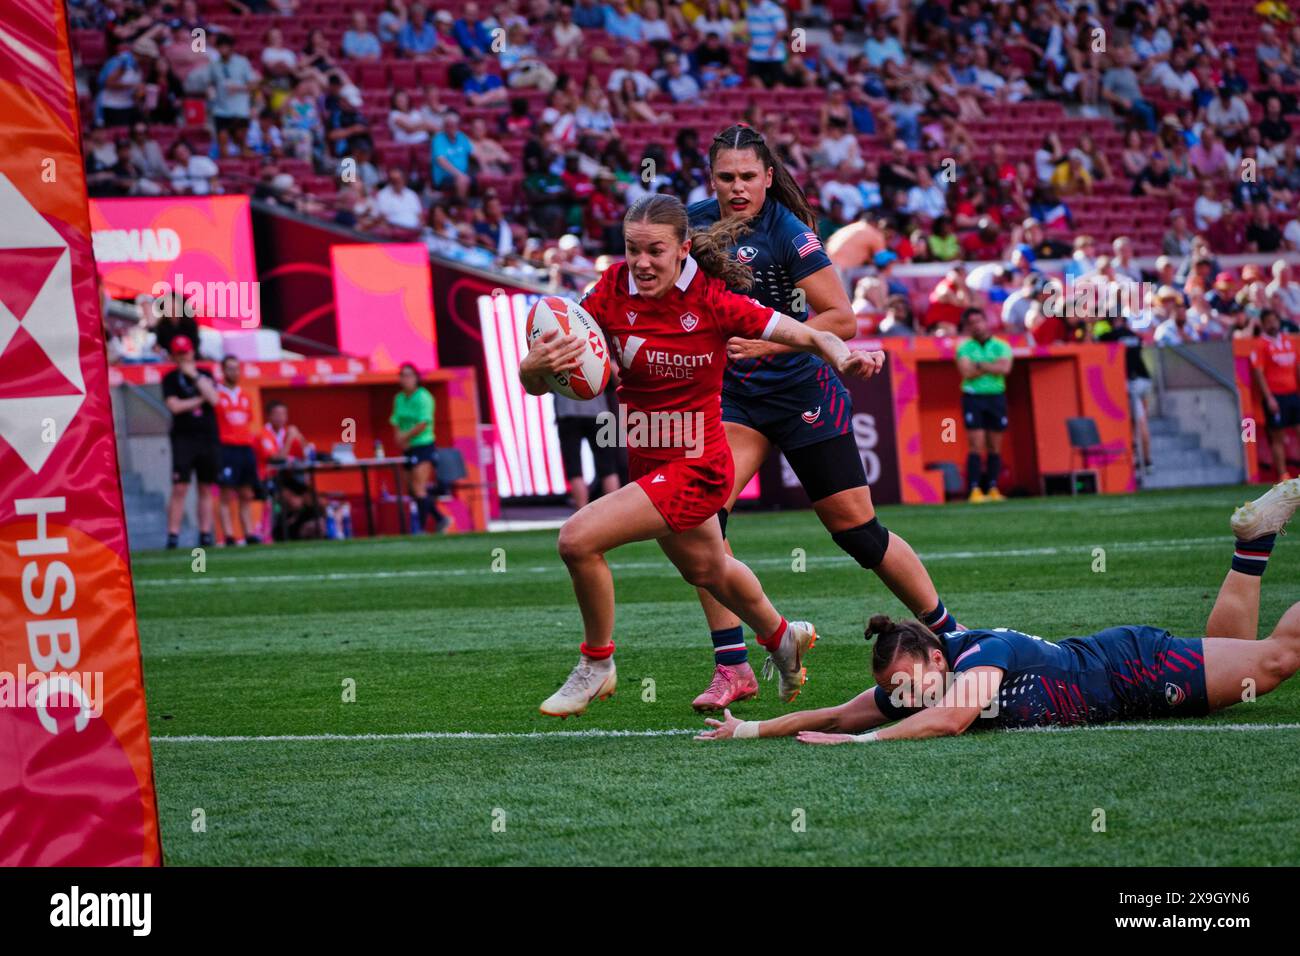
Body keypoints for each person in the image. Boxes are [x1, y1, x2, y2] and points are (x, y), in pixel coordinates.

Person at [518, 194, 885, 717]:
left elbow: (801, 331)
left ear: (683, 248)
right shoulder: (608, 292)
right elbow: (544, 381)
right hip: (647, 456)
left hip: (697, 464)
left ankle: (596, 664)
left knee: (577, 540)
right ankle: (783, 638)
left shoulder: (713, 300)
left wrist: (842, 354)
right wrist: (530, 369)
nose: (641, 263)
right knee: (710, 569)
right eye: (632, 250)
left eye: (655, 251)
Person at [682, 124, 965, 713]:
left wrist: (771, 346)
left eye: (747, 177)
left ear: (767, 177)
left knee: (857, 534)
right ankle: (733, 664)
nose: (737, 188)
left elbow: (841, 318)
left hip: (801, 392)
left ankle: (952, 634)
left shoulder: (789, 232)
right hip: (737, 400)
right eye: (725, 177)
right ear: (713, 179)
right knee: (701, 524)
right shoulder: (694, 224)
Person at [697, 480, 1300, 743]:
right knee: (1247, 670)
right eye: (896, 692)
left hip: (1134, 668)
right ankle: (1254, 543)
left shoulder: (980, 657)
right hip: (1134, 677)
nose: (904, 699)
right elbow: (832, 716)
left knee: (1276, 660)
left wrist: (867, 744)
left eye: (908, 686)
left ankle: (1255, 547)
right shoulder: (920, 688)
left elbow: (951, 722)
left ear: (937, 656)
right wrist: (744, 729)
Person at [161, 336, 220, 549]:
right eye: (179, 353)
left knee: (205, 487)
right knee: (180, 487)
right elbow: (174, 407)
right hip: (183, 438)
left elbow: (214, 399)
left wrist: (193, 376)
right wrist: (198, 399)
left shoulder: (204, 374)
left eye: (185, 352)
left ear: (192, 352)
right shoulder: (170, 379)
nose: (183, 357)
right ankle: (173, 535)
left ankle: (205, 534)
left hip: (207, 438)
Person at [956, 307, 1013, 501]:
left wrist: (979, 365)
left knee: (995, 446)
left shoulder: (1001, 345)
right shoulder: (964, 347)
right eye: (972, 323)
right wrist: (991, 366)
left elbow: (1004, 368)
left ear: (986, 321)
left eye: (979, 321)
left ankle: (993, 488)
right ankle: (974, 489)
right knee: (976, 444)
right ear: (967, 327)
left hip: (996, 396)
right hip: (973, 397)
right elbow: (967, 372)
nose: (977, 325)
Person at [391, 362, 448, 533]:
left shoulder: (424, 397)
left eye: (409, 375)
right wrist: (399, 438)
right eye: (402, 375)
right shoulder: (399, 398)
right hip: (408, 447)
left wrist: (405, 437)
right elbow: (395, 421)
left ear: (416, 378)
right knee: (411, 489)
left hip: (423, 445)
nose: (405, 379)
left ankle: (421, 529)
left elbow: (423, 423)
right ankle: (440, 518)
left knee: (419, 487)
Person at [215, 356, 262, 546]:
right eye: (230, 369)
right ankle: (228, 535)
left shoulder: (245, 395)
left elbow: (247, 421)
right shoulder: (217, 394)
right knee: (226, 493)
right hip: (226, 447)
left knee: (246, 493)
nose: (234, 372)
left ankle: (249, 532)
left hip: (245, 448)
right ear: (223, 371)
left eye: (236, 369)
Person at [1252, 308, 1300, 480]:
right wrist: (1269, 397)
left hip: (1292, 394)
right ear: (1263, 324)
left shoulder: (1288, 341)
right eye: (1269, 321)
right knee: (1277, 436)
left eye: (1275, 320)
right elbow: (1258, 373)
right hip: (1276, 396)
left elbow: (1296, 367)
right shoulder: (1260, 344)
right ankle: (1283, 475)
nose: (1273, 324)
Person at [554, 391, 622, 509]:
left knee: (574, 470)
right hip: (599, 412)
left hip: (568, 413)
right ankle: (615, 511)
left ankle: (582, 515)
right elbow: (617, 378)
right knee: (608, 468)